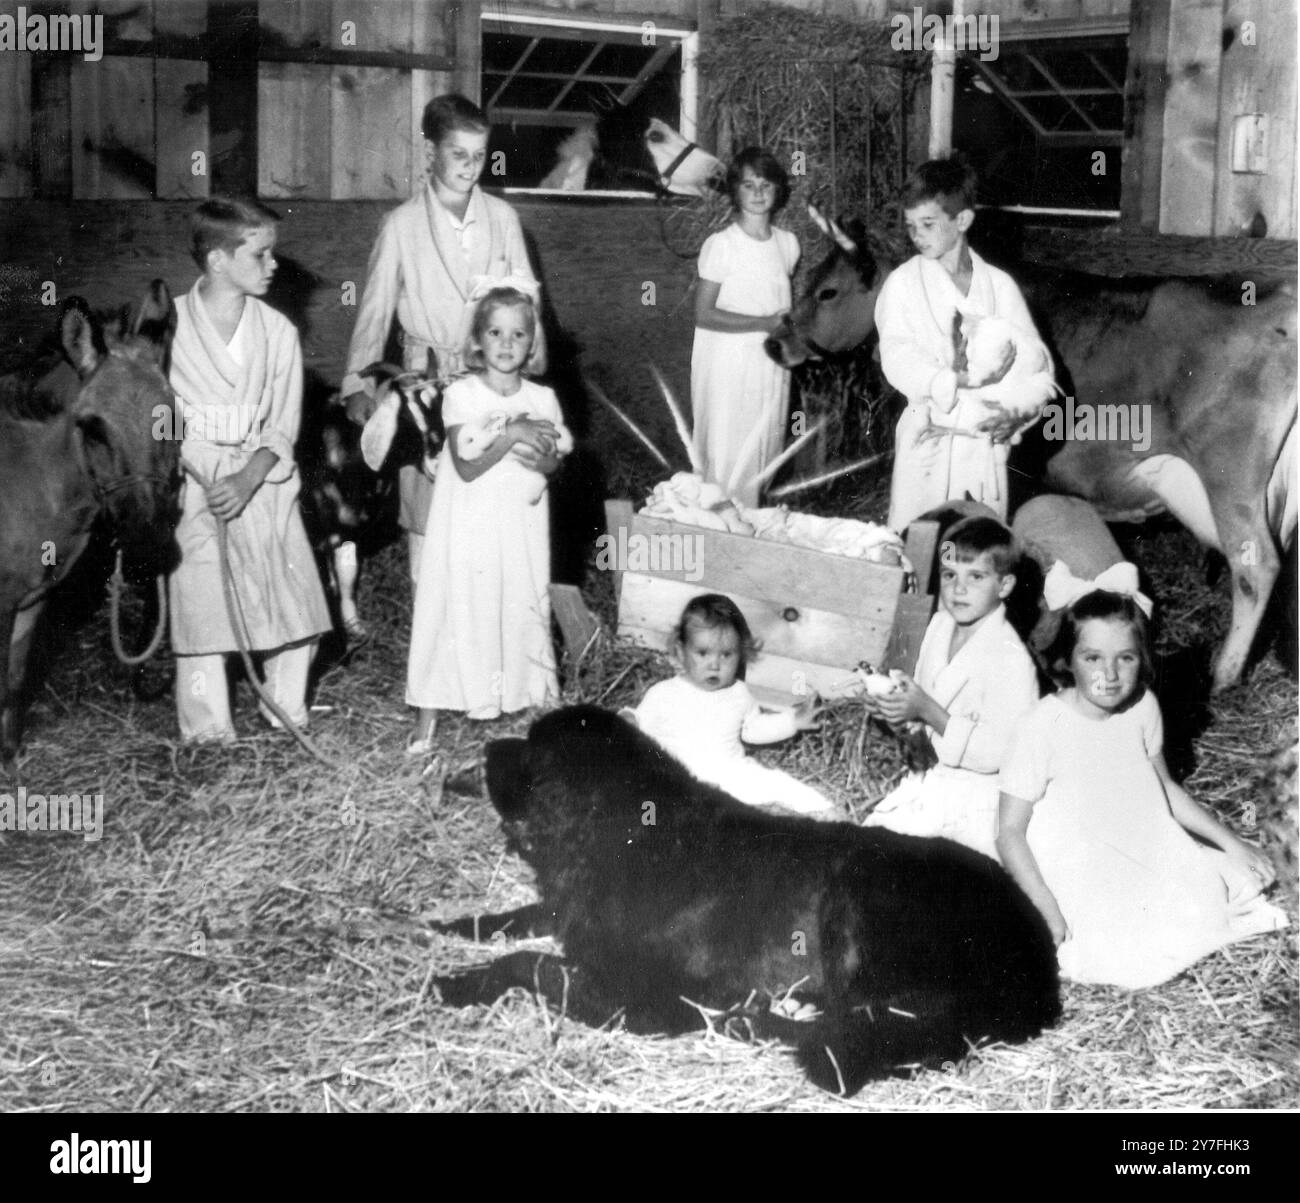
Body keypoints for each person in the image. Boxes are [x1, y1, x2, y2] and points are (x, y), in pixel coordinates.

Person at [997, 590, 1287, 989]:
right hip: (1081, 858)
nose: (1110, 674)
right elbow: (1009, 831)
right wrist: (1044, 903)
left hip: (1142, 839)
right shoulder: (1040, 726)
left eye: (1126, 658)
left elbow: (1164, 788)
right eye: (1092, 658)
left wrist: (1232, 843)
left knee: (1209, 901)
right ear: (1067, 659)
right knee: (1125, 949)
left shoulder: (1142, 706)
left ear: (1143, 659)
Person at [340, 93, 545, 583]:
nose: (471, 168)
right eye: (458, 155)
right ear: (430, 150)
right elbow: (375, 310)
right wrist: (356, 383)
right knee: (428, 512)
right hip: (425, 386)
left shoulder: (504, 219)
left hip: (494, 383)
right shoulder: (402, 225)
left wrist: (534, 364)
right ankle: (430, 622)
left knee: (493, 500)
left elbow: (529, 305)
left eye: (479, 156)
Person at [169, 198, 332, 743]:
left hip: (260, 478)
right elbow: (154, 418)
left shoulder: (278, 332)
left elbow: (282, 425)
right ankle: (208, 732)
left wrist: (247, 478)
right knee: (200, 608)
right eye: (260, 255)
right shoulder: (166, 328)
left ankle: (285, 706)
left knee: (296, 597)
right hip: (195, 484)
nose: (274, 265)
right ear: (218, 260)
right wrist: (200, 469)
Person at [405, 286, 569, 752]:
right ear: (477, 340)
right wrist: (512, 431)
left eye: (518, 334)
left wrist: (544, 458)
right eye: (495, 332)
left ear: (532, 344)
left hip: (519, 520)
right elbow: (466, 464)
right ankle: (428, 715)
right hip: (469, 522)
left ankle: (528, 700)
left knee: (518, 598)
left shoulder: (544, 398)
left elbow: (552, 462)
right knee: (455, 602)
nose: (506, 343)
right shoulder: (461, 394)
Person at [876, 156, 1052, 530]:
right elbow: (896, 356)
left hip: (983, 443)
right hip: (929, 440)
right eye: (910, 226)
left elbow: (1037, 363)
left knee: (978, 547)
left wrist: (1019, 412)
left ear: (963, 220)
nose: (916, 235)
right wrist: (954, 381)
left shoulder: (1000, 285)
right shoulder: (903, 284)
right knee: (918, 544)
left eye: (928, 224)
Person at [862, 516, 1038, 859]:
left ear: (1004, 586)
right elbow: (923, 706)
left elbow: (1002, 755)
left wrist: (928, 710)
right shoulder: (941, 625)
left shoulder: (1012, 660)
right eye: (949, 575)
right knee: (872, 841)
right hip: (927, 771)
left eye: (976, 577)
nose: (959, 589)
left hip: (978, 795)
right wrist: (894, 708)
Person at [625, 594, 836, 817]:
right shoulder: (663, 693)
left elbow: (754, 729)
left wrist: (793, 721)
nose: (715, 664)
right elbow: (637, 727)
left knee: (774, 780)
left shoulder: (738, 693)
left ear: (741, 654)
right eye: (703, 653)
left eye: (726, 655)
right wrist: (628, 721)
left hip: (728, 773)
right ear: (680, 651)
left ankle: (825, 813)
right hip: (676, 777)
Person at [690, 147, 799, 506]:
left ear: (778, 191)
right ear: (735, 191)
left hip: (770, 363)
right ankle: (720, 525)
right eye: (748, 184)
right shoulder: (721, 245)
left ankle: (750, 522)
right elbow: (704, 313)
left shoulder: (788, 244)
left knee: (764, 444)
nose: (757, 193)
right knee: (728, 446)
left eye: (765, 184)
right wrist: (762, 322)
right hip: (730, 360)